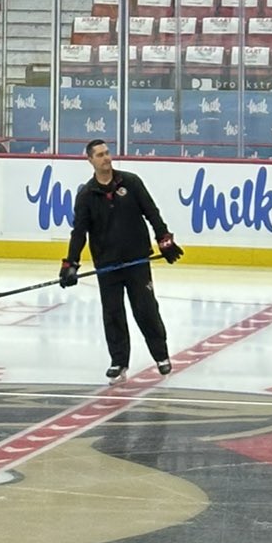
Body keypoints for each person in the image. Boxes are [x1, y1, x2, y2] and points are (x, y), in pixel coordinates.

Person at [61, 138, 183, 380]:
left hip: (136, 261)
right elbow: (79, 232)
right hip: (107, 265)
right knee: (113, 314)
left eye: (107, 153)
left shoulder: (131, 181)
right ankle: (119, 361)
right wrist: (70, 264)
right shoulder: (86, 195)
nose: (106, 158)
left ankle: (161, 355)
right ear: (90, 160)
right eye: (100, 155)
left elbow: (151, 212)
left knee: (146, 310)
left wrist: (164, 239)